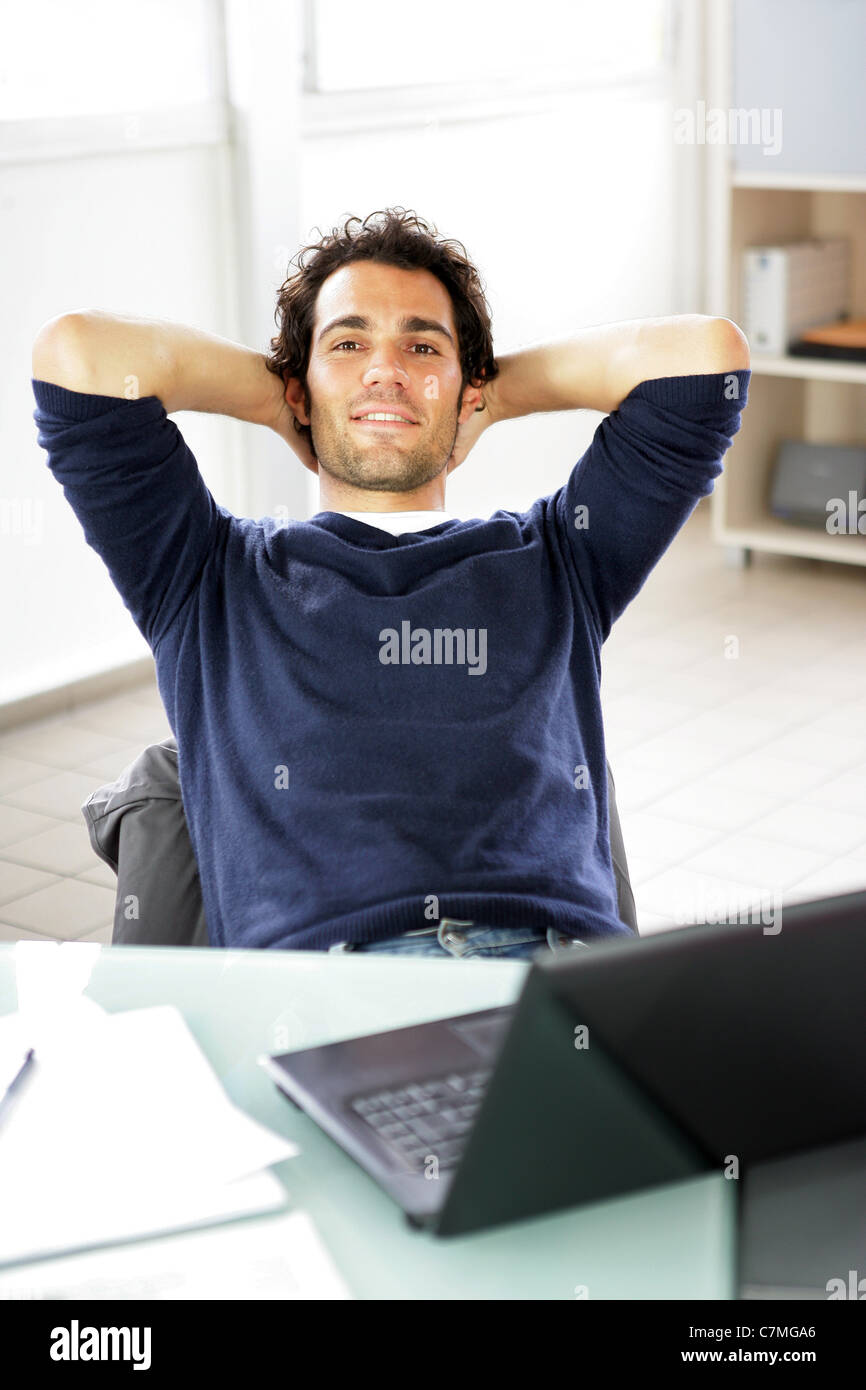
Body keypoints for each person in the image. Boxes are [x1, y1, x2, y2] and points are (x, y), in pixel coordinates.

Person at [31, 207, 750, 961]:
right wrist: (277, 397)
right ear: (299, 389)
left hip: (554, 974)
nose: (385, 368)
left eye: (420, 345)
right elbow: (79, 355)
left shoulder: (559, 555)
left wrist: (494, 393)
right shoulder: (206, 573)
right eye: (347, 344)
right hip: (337, 984)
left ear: (467, 390)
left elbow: (706, 359)